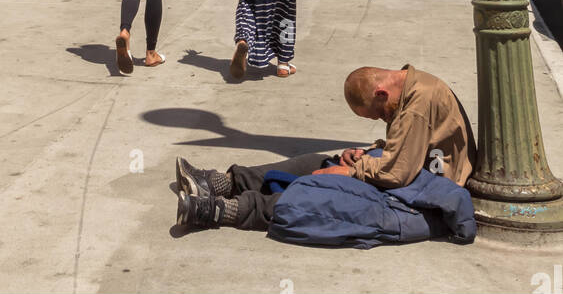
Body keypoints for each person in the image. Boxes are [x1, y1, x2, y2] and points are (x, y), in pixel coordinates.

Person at [175, 62, 476, 229]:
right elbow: (409, 145)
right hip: (412, 169)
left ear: (382, 93)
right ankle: (223, 182)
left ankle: (221, 209)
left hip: (429, 187)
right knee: (319, 162)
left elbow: (398, 174)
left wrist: (350, 173)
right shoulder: (407, 89)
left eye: (378, 112)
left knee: (322, 194)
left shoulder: (415, 105)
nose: (382, 117)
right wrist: (361, 155)